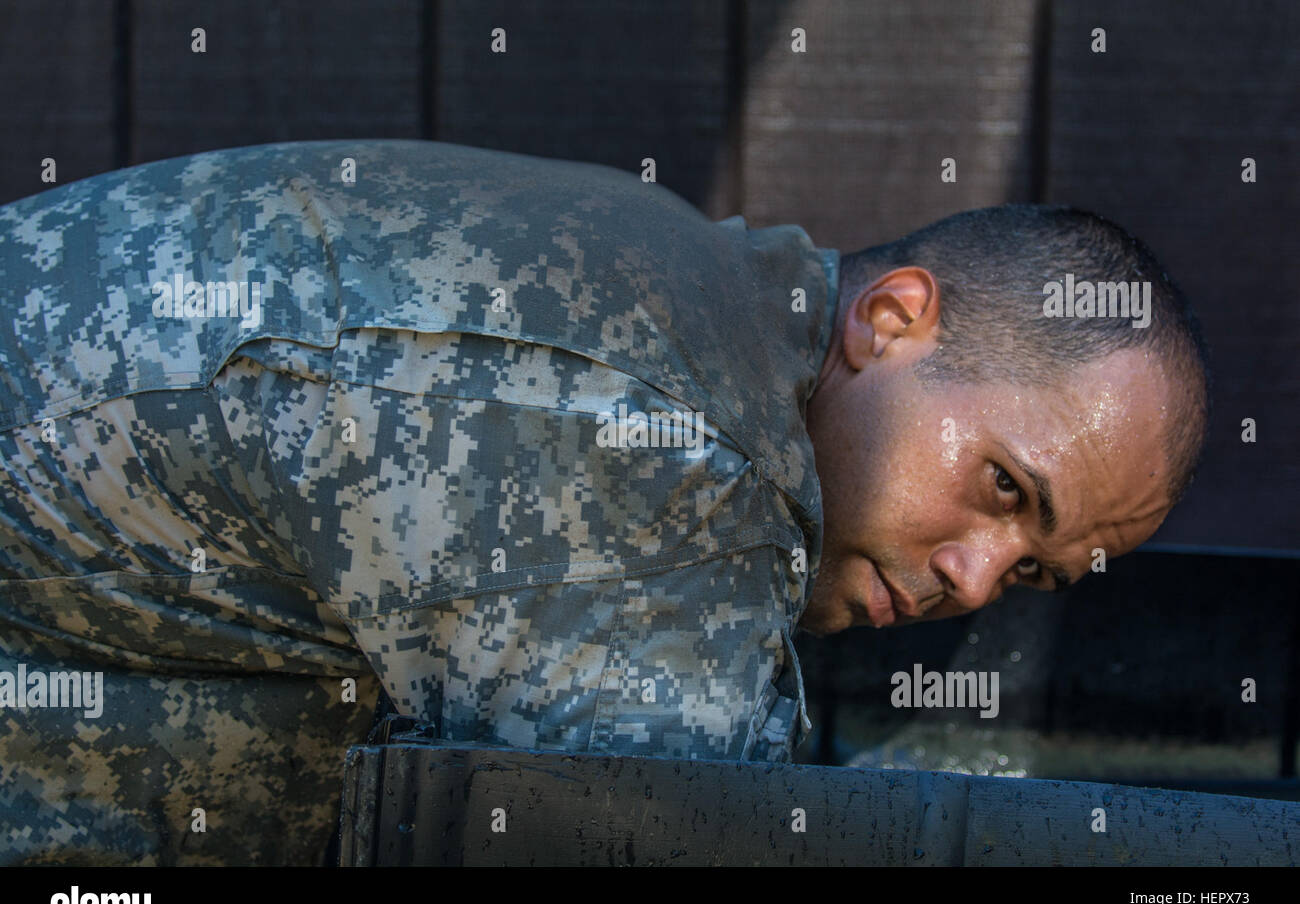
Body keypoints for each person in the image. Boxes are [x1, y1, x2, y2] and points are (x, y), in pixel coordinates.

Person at [0, 140, 1209, 864]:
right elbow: (650, 839)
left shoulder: (720, 322)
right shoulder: (647, 425)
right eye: (1004, 487)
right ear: (891, 319)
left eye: (1035, 571)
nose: (978, 579)